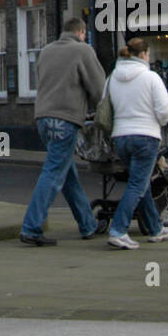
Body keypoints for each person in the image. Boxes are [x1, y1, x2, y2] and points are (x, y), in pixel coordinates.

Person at [19, 16, 107, 245]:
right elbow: (100, 90)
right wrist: (104, 114)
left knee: (67, 175)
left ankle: (88, 224)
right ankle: (31, 227)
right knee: (53, 172)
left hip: (42, 120)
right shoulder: (83, 50)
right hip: (65, 120)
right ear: (81, 33)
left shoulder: (46, 51)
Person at [107, 37, 168, 249]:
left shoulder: (113, 77)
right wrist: (159, 121)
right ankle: (118, 230)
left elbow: (105, 105)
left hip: (121, 137)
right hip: (146, 136)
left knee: (139, 183)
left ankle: (155, 227)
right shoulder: (150, 77)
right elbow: (164, 112)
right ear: (144, 55)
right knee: (138, 183)